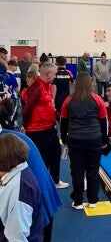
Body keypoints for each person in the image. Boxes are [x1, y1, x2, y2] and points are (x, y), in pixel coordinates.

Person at [58, 75, 108, 210]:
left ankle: (78, 201)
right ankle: (93, 200)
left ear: (76, 84)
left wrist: (64, 139)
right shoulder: (97, 99)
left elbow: (64, 122)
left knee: (77, 170)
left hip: (75, 139)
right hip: (93, 138)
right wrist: (104, 139)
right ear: (90, 84)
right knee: (93, 169)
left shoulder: (68, 100)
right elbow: (103, 122)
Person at [22, 62, 61, 190]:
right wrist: (25, 126)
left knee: (56, 153)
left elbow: (49, 106)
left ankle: (54, 180)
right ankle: (38, 185)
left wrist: (57, 119)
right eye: (54, 74)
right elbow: (27, 109)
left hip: (49, 127)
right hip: (37, 131)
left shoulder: (47, 86)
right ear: (48, 73)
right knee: (42, 159)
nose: (55, 76)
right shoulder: (36, 87)